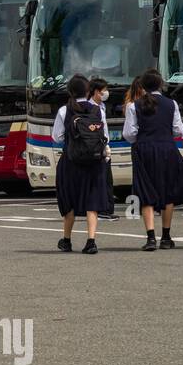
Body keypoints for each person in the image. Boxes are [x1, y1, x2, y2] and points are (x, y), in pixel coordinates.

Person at [123, 70, 183, 251]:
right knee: (168, 191)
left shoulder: (133, 106)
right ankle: (166, 237)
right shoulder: (171, 103)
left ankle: (151, 237)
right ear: (160, 85)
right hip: (167, 148)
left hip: (144, 150)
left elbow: (129, 134)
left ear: (142, 86)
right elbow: (179, 130)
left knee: (145, 192)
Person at [53, 75, 106, 254]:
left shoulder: (64, 110)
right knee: (92, 200)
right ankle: (91, 240)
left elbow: (57, 137)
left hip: (71, 161)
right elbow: (103, 134)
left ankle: (67, 240)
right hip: (94, 161)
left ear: (70, 91)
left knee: (69, 200)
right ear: (88, 91)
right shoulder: (98, 109)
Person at [89, 78, 119, 221]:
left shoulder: (102, 106)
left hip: (105, 145)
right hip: (98, 147)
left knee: (107, 179)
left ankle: (107, 208)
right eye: (103, 91)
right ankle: (103, 208)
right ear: (96, 91)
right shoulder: (90, 107)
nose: (106, 93)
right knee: (102, 178)